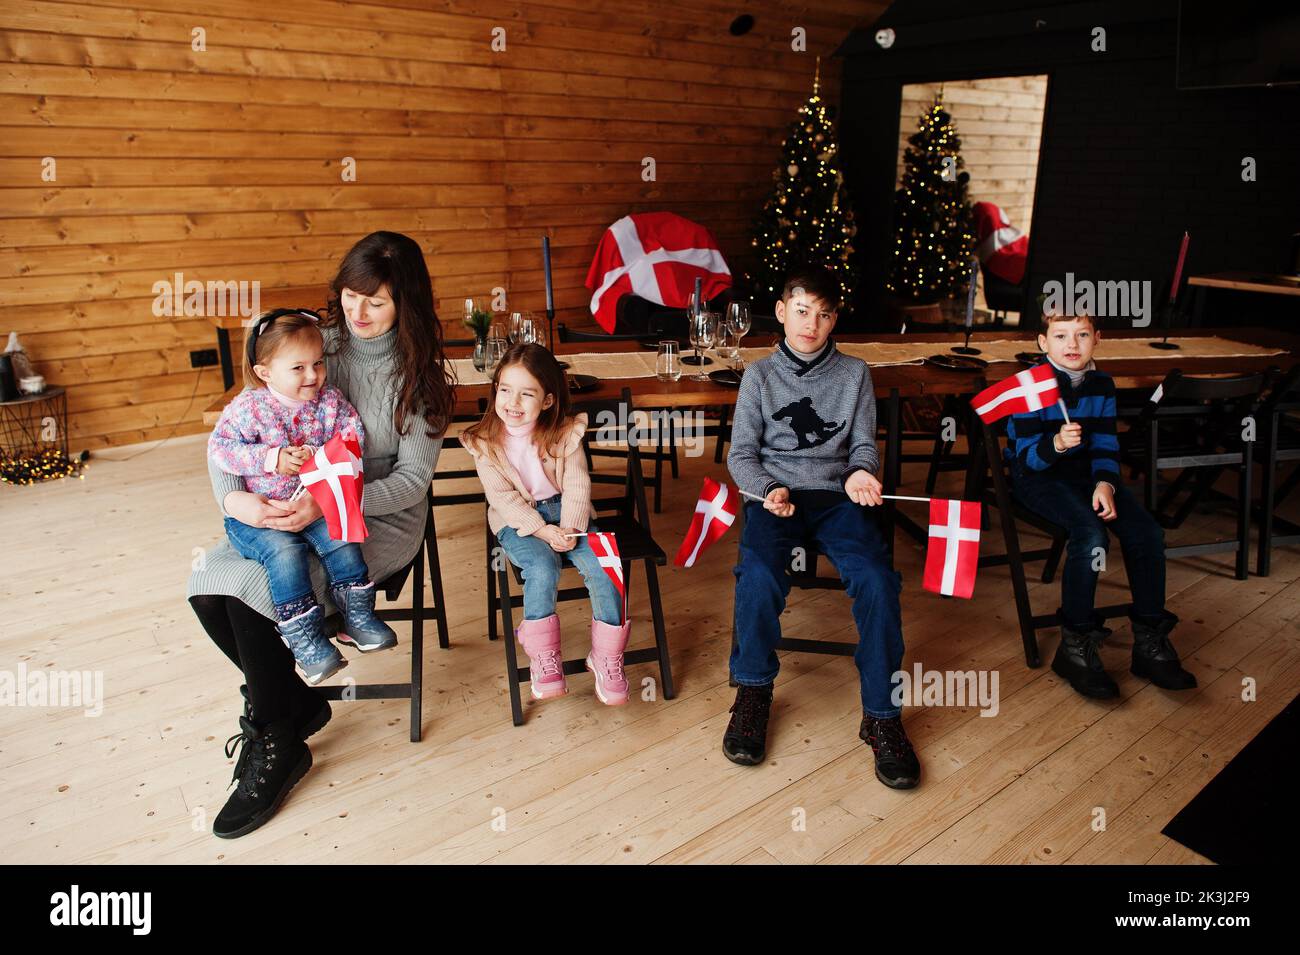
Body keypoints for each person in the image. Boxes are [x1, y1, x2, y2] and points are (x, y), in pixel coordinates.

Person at [186, 232, 456, 839]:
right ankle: (293, 705)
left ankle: (274, 736)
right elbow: (235, 431)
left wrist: (331, 502)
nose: (359, 312)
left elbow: (413, 482)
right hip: (281, 506)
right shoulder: (312, 346)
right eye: (351, 295)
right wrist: (237, 499)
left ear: (406, 304)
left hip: (375, 518)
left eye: (378, 301)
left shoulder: (425, 380)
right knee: (209, 583)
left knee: (256, 595)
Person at [724, 265, 919, 790]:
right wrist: (768, 490)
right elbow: (740, 456)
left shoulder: (854, 374)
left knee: (877, 579)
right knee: (760, 575)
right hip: (776, 497)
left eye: (824, 314)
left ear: (835, 320)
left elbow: (861, 447)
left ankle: (881, 715)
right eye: (802, 310)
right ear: (782, 312)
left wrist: (861, 472)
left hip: (837, 497)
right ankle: (753, 691)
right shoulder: (760, 376)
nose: (812, 323)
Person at [1007, 310, 1196, 699]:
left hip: (1088, 477)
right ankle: (1075, 645)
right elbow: (1027, 458)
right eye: (1060, 336)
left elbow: (1107, 446)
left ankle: (1149, 640)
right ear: (1043, 343)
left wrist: (1106, 483)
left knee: (1146, 533)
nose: (1071, 345)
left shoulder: (1102, 385)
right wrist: (1056, 444)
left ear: (1097, 338)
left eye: (1081, 335)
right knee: (1091, 535)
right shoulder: (1029, 386)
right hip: (1039, 476)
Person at [209, 309, 398, 686]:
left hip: (315, 506)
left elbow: (352, 437)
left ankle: (356, 617)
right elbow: (220, 448)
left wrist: (322, 456)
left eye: (318, 363)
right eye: (298, 368)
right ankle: (307, 642)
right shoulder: (249, 408)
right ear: (265, 372)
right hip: (263, 518)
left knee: (342, 538)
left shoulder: (330, 402)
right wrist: (270, 458)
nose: (313, 375)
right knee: (285, 553)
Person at [462, 343, 629, 705]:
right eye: (505, 390)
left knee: (606, 564)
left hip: (570, 512)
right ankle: (543, 657)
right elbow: (503, 499)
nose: (513, 402)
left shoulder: (565, 433)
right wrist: (542, 530)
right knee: (541, 567)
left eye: (527, 393)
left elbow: (577, 483)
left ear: (548, 401)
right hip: (517, 520)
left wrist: (569, 526)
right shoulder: (485, 443)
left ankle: (606, 656)